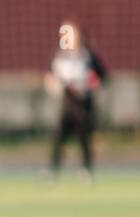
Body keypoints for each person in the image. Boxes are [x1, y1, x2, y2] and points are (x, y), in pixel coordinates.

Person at [45, 19, 108, 179]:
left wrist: (89, 84)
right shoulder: (59, 56)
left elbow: (102, 77)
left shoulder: (88, 56)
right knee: (59, 136)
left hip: (83, 101)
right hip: (67, 101)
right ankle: (53, 169)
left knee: (84, 135)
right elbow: (50, 77)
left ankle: (86, 169)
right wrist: (55, 86)